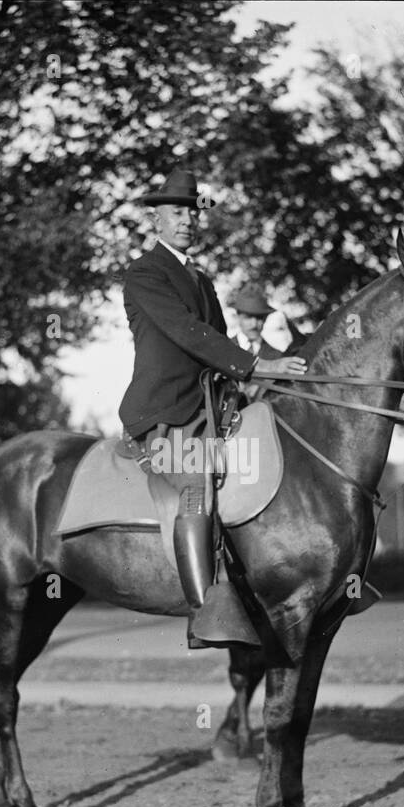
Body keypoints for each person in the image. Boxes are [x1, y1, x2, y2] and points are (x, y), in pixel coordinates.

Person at [119, 167, 306, 648]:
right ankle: (205, 612)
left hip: (210, 406)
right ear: (156, 220)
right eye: (176, 213)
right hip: (167, 412)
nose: (187, 221)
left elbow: (220, 342)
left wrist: (267, 370)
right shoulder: (145, 273)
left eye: (191, 214)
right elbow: (189, 333)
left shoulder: (200, 279)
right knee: (196, 484)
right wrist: (256, 367)